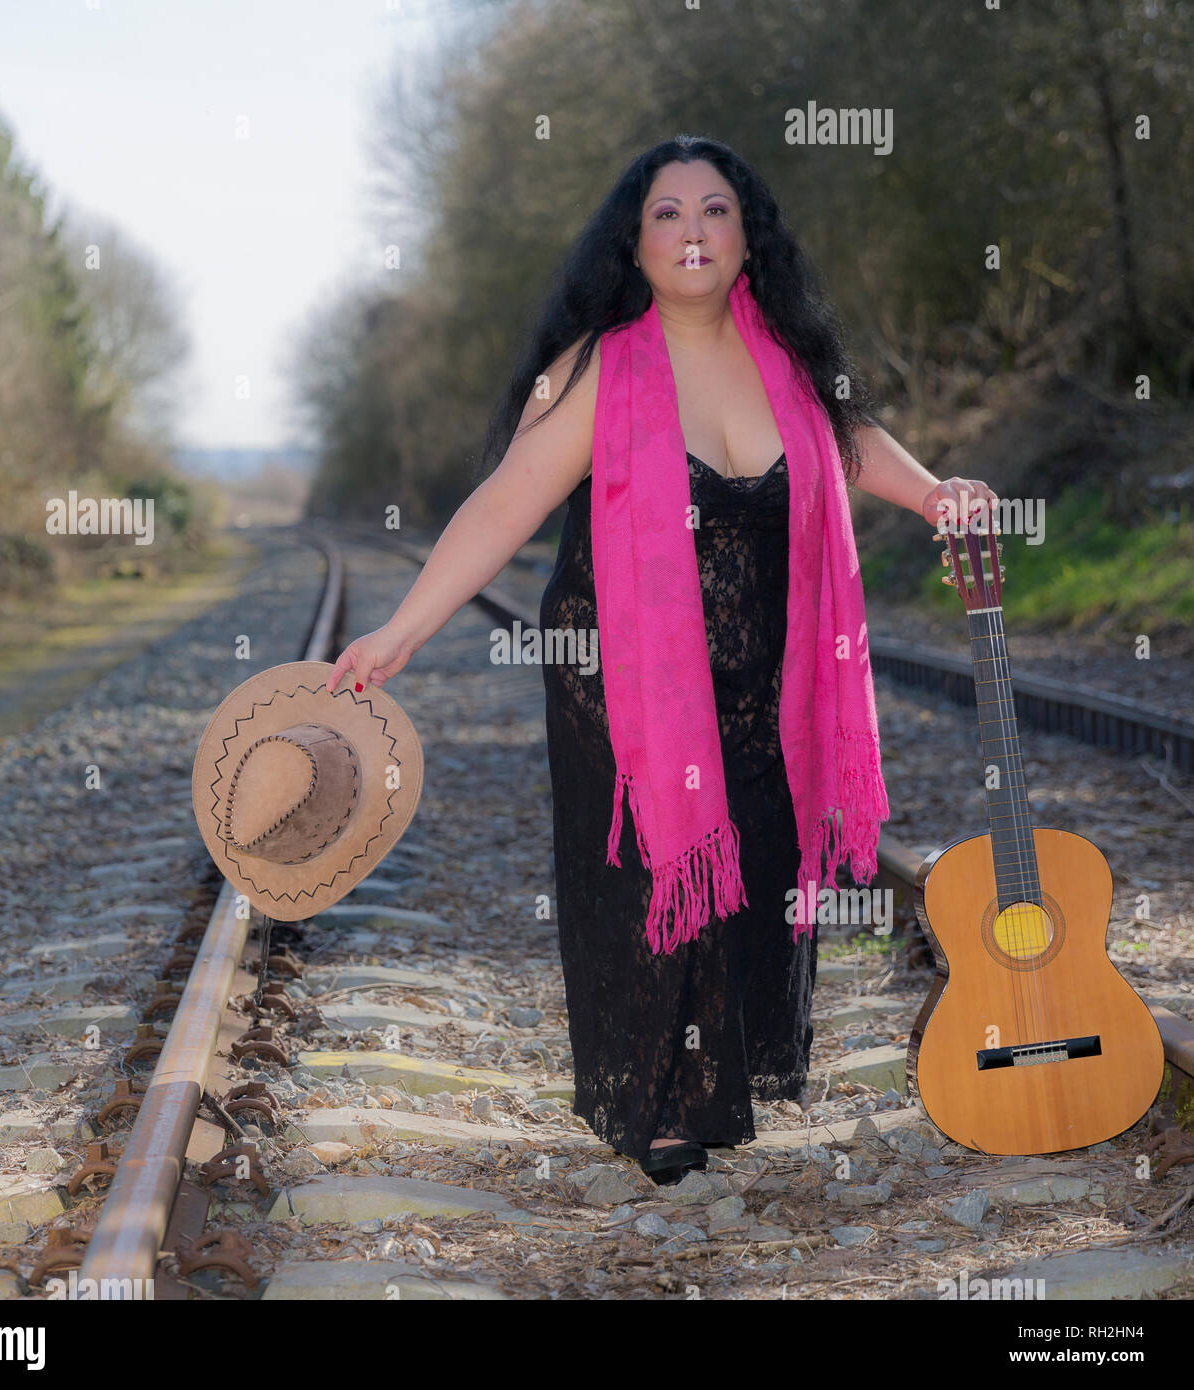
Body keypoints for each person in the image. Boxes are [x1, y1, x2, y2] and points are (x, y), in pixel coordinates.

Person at [327, 135, 997, 1185]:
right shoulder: (593, 368)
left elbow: (852, 438)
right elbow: (505, 499)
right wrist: (404, 626)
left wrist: (936, 493)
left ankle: (721, 1090)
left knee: (757, 866)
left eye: (715, 211)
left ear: (747, 238)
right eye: (668, 214)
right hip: (626, 683)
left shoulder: (788, 356)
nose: (693, 231)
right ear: (632, 245)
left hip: (767, 681)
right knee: (659, 877)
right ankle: (665, 1107)